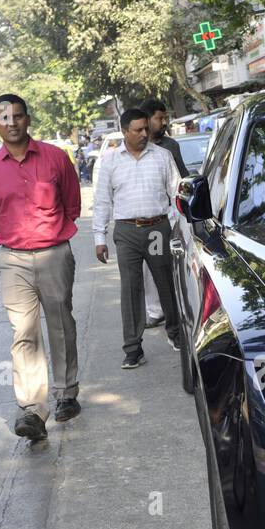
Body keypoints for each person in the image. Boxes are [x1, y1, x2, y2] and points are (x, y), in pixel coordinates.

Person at [0, 93, 83, 443]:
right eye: (4, 118)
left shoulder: (55, 158)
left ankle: (67, 394)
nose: (12, 123)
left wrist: (50, 236)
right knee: (24, 331)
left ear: (27, 119)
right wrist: (20, 240)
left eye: (17, 116)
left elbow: (73, 202)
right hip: (13, 259)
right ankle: (33, 408)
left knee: (60, 323)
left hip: (54, 253)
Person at [93, 108, 181, 369]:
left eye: (146, 129)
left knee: (166, 282)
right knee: (130, 288)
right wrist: (100, 237)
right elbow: (101, 201)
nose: (144, 134)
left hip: (157, 229)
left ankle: (176, 334)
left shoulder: (163, 156)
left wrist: (174, 227)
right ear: (124, 132)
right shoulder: (110, 161)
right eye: (138, 130)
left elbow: (176, 194)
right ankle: (133, 348)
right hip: (127, 232)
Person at [137, 99, 188, 330]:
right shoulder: (136, 149)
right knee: (151, 267)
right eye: (160, 118)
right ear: (147, 119)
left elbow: (182, 179)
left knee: (174, 263)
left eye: (165, 117)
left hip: (172, 215)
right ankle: (155, 311)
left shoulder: (170, 146)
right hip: (148, 218)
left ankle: (178, 310)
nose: (164, 122)